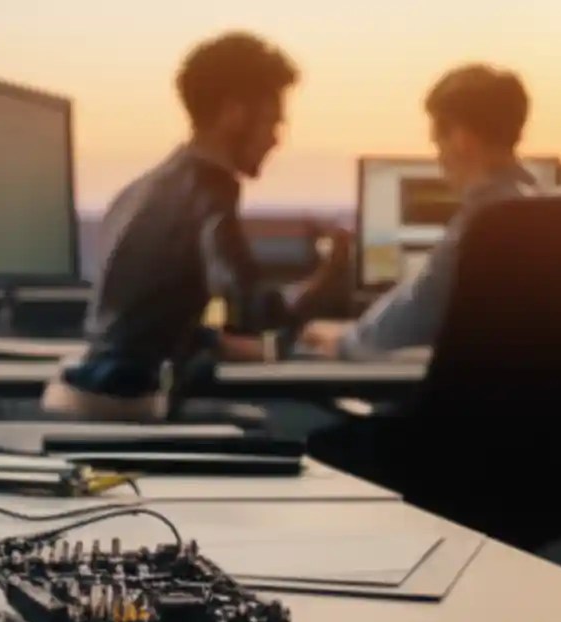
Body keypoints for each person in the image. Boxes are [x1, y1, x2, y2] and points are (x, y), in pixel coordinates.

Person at [41, 31, 348, 421]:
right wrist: (329, 276)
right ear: (234, 112)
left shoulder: (150, 186)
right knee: (283, 426)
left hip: (99, 390)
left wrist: (226, 344)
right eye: (272, 121)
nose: (276, 138)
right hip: (131, 403)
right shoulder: (209, 194)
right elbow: (254, 313)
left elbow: (150, 317)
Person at [299, 63, 538, 359]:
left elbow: (390, 338)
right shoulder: (548, 215)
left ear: (462, 138)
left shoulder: (482, 225)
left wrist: (339, 342)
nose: (439, 158)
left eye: (439, 143)